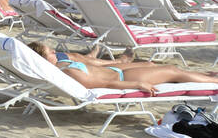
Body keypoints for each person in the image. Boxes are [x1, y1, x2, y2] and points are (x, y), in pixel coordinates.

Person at [27, 42, 218, 94]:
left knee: (154, 65)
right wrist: (137, 84)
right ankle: (214, 80)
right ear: (43, 59)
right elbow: (106, 84)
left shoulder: (60, 66)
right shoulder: (68, 72)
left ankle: (206, 75)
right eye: (50, 52)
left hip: (119, 71)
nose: (55, 52)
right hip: (121, 77)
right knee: (172, 71)